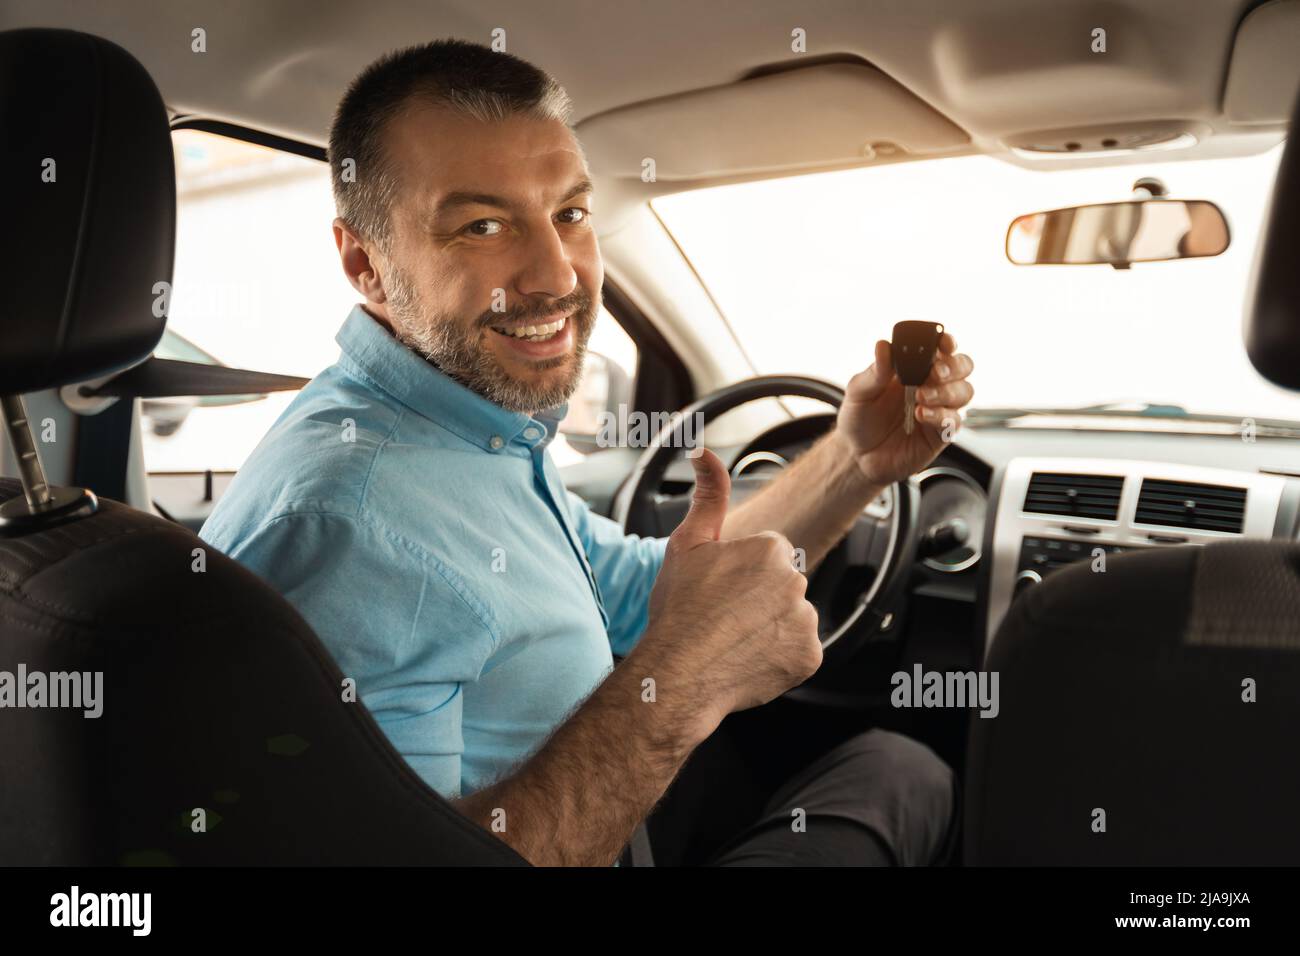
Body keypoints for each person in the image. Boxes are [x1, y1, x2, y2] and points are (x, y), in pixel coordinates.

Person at [199, 39, 975, 866]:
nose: (555, 274)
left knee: (898, 765)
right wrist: (688, 680)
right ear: (367, 264)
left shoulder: (465, 429)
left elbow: (645, 598)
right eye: (483, 225)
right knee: (909, 776)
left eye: (569, 213)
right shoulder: (352, 526)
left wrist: (856, 464)